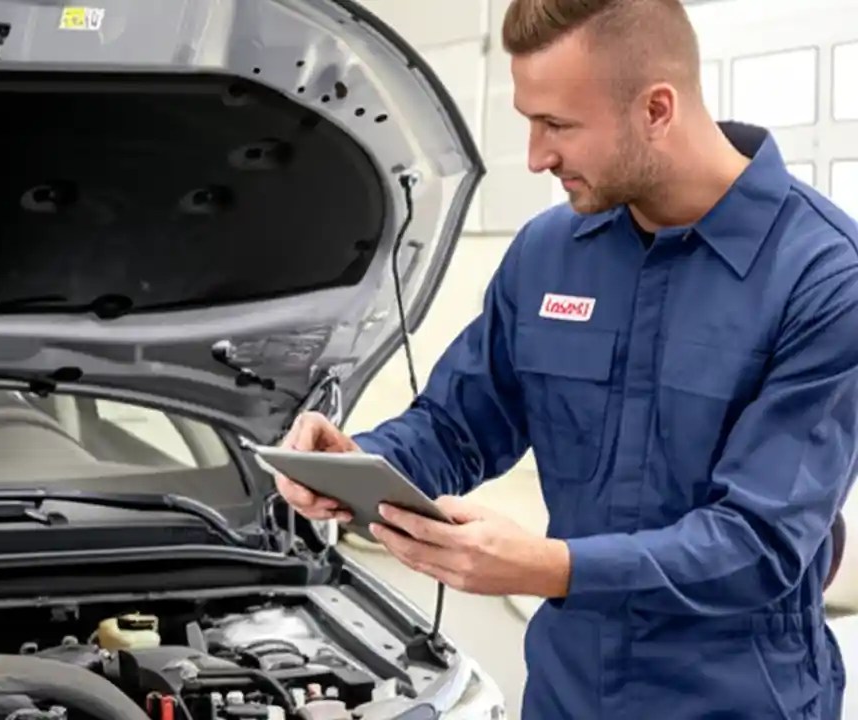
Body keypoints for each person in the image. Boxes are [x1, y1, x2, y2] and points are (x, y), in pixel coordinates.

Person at [273, 0, 858, 717]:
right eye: (529, 121)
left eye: (557, 125)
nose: (536, 156)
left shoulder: (824, 277)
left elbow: (759, 545)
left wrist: (550, 567)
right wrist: (358, 465)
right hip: (567, 693)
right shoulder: (548, 254)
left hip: (736, 700)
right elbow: (458, 425)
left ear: (657, 110)